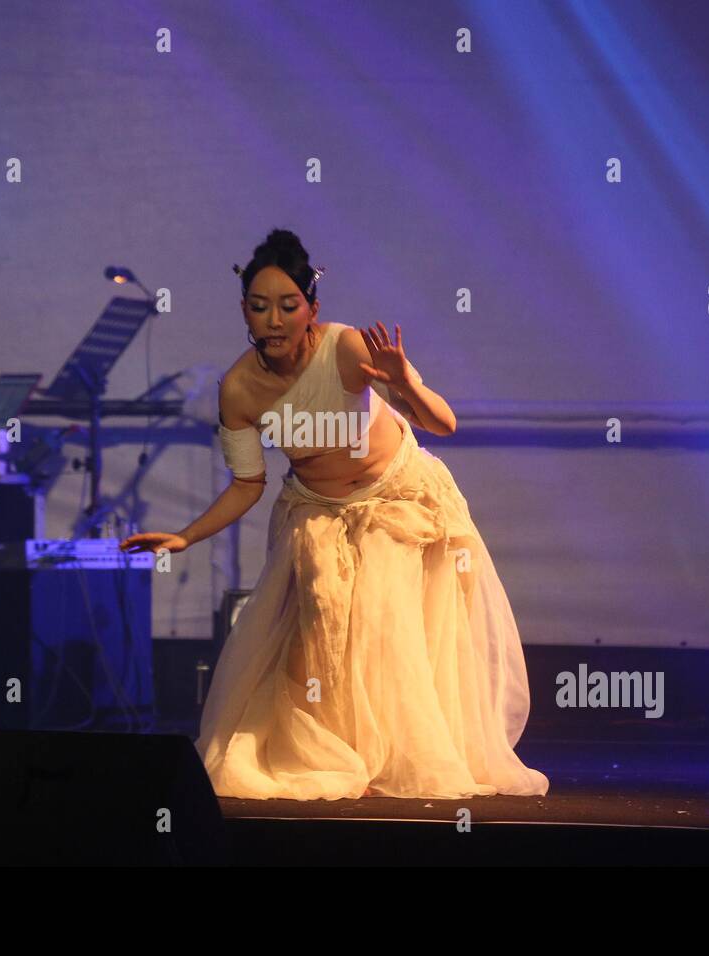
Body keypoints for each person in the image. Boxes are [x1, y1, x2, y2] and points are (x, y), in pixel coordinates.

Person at [121, 229, 549, 800]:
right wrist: (185, 536)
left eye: (287, 305)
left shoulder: (347, 348)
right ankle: (341, 755)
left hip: (398, 500)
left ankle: (401, 757)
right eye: (259, 306)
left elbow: (442, 424)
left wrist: (404, 385)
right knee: (322, 634)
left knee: (385, 621)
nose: (273, 319)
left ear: (311, 310)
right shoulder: (239, 389)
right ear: (245, 312)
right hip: (318, 511)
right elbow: (248, 484)